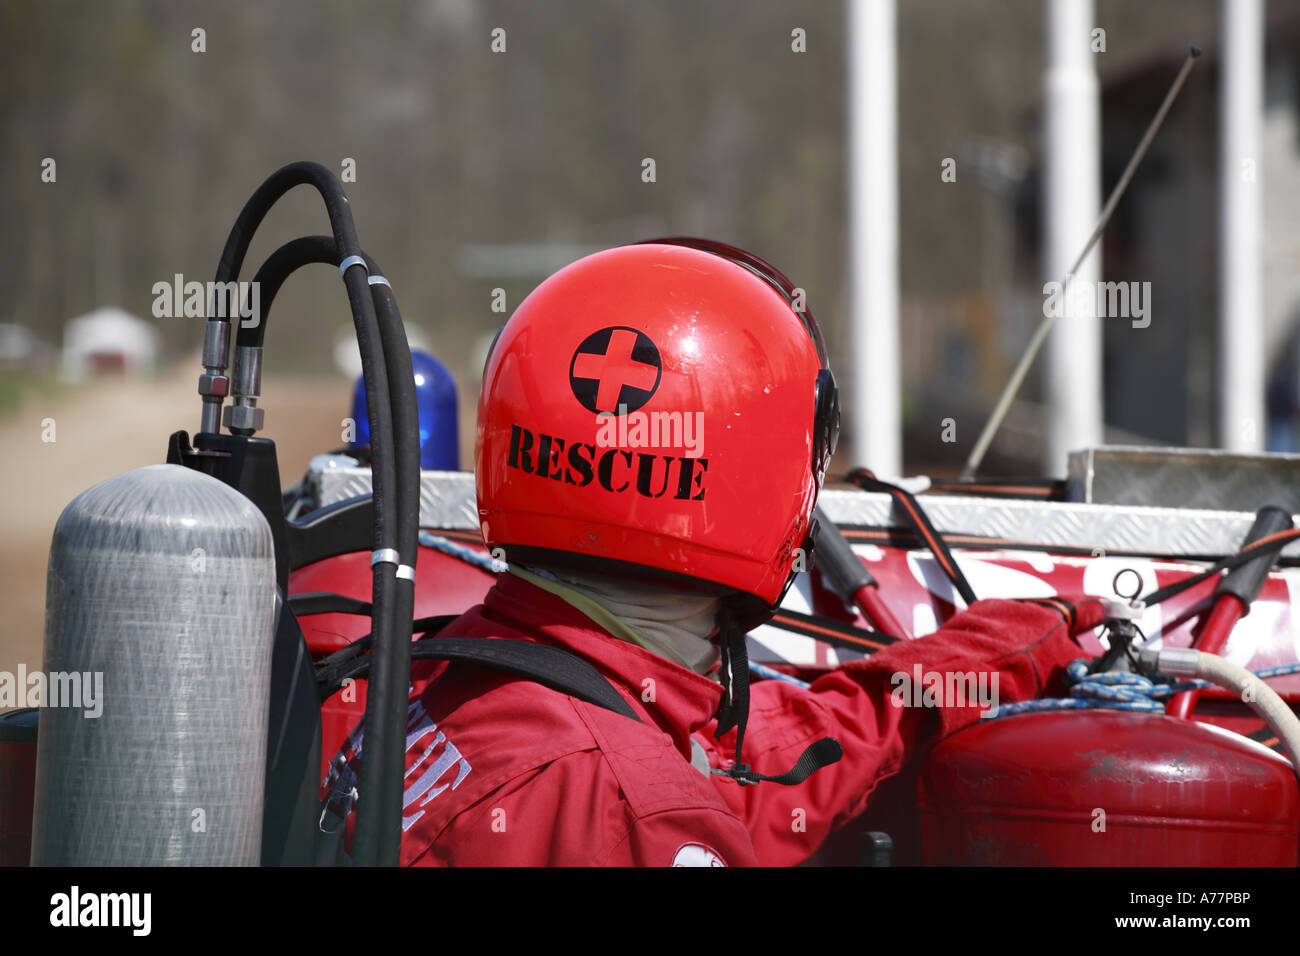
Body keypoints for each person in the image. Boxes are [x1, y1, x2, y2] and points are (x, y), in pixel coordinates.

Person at [324, 238, 1106, 866]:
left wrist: (1007, 647)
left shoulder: (453, 670)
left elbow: (779, 753)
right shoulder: (638, 813)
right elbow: (665, 796)